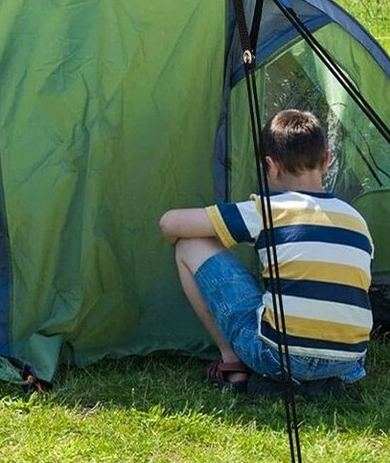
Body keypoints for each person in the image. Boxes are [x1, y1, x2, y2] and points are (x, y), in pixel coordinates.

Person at [159, 109, 373, 393]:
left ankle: (234, 363)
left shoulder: (266, 210)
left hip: (277, 357)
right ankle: (319, 381)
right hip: (349, 362)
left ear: (271, 167)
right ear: (327, 159)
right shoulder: (355, 219)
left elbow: (170, 223)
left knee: (189, 244)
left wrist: (225, 233)